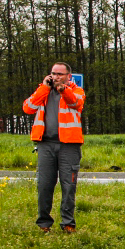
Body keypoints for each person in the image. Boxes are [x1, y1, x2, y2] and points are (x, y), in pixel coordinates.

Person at [23, 62, 85, 232]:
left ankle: (67, 224)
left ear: (69, 76)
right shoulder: (42, 92)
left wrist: (63, 89)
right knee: (44, 185)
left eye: (60, 74)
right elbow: (28, 108)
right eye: (54, 73)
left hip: (69, 146)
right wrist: (44, 88)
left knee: (68, 186)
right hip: (46, 144)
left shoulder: (76, 91)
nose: (56, 77)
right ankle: (44, 224)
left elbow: (75, 103)